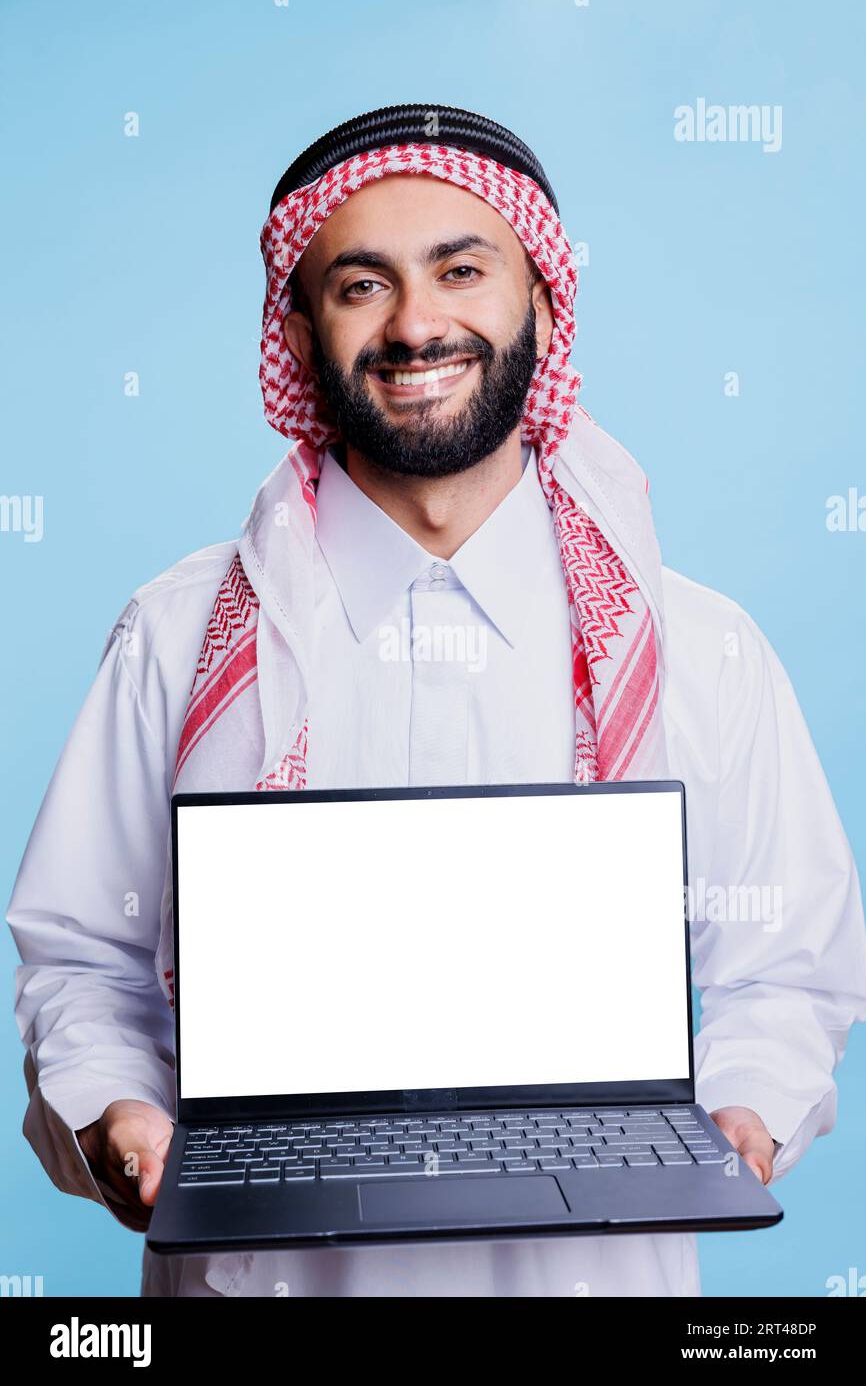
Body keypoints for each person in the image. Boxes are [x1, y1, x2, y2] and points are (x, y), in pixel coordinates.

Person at [8, 104, 866, 1298]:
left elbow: (785, 967)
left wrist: (742, 1112)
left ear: (543, 305)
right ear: (299, 331)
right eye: (361, 284)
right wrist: (119, 1114)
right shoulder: (175, 638)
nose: (417, 324)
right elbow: (83, 957)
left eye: (461, 269)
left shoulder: (700, 652)